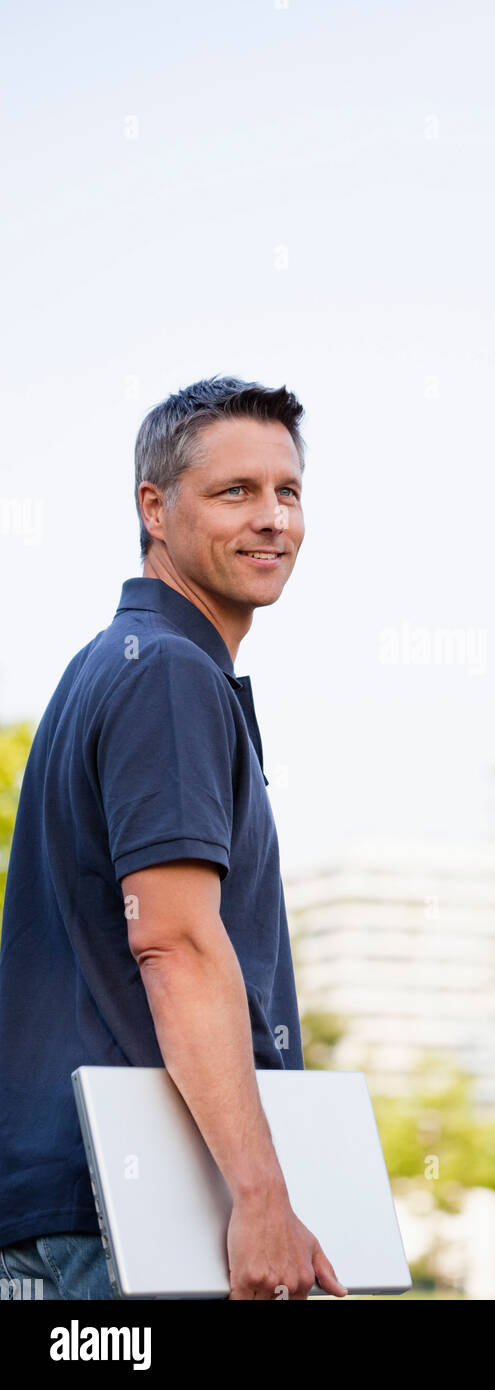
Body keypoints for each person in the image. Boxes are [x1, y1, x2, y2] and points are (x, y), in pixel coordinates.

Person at [0, 375, 347, 1301]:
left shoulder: (108, 666)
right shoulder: (167, 676)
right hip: (134, 1219)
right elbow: (177, 943)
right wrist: (263, 1195)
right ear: (154, 507)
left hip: (73, 1212)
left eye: (289, 491)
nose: (273, 518)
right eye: (235, 492)